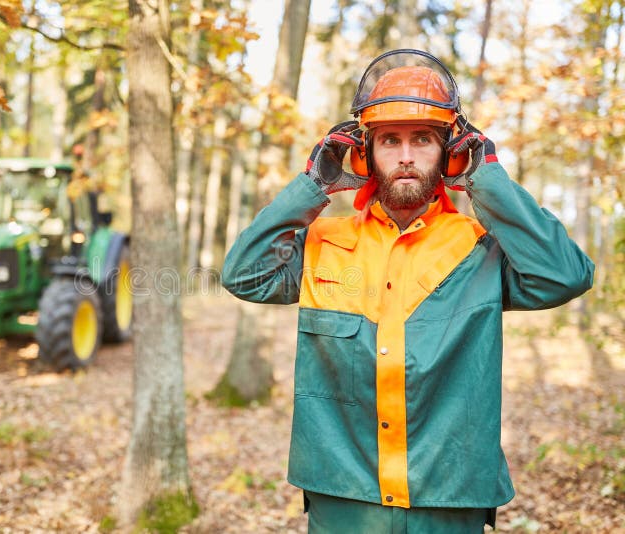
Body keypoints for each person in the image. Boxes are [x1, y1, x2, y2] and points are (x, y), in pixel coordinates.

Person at [221, 49, 594, 533]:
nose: (405, 156)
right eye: (389, 140)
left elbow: (565, 275)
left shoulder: (479, 249)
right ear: (365, 154)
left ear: (449, 153)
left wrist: (486, 177)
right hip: (344, 502)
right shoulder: (325, 244)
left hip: (447, 500)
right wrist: (313, 184)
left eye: (422, 140)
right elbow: (243, 275)